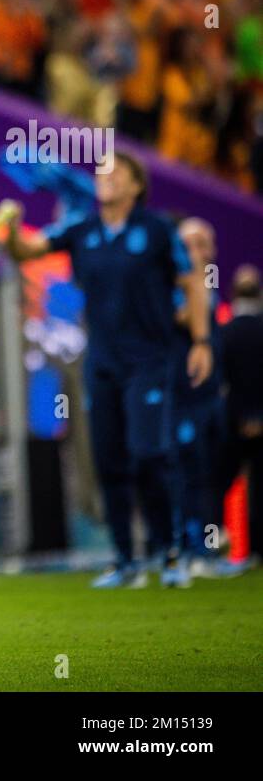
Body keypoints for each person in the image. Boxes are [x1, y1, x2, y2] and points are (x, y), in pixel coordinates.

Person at [5, 152, 213, 589]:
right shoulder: (81, 228)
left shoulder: (157, 231)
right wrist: (9, 226)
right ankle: (125, 561)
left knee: (148, 454)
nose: (106, 178)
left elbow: (192, 281)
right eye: (101, 172)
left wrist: (200, 341)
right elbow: (26, 251)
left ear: (137, 186)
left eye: (118, 172)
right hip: (101, 362)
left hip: (149, 361)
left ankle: (170, 551)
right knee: (109, 460)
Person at [170, 219, 228, 577]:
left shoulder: (211, 286)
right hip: (182, 395)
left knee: (210, 474)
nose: (197, 252)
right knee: (186, 475)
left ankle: (208, 550)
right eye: (189, 244)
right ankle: (187, 551)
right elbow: (181, 320)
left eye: (203, 244)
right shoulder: (177, 288)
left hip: (210, 397)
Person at [219, 265, 263, 571]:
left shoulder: (225, 332)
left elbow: (222, 382)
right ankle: (252, 551)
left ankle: (223, 549)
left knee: (219, 483)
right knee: (258, 489)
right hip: (253, 418)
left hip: (233, 421)